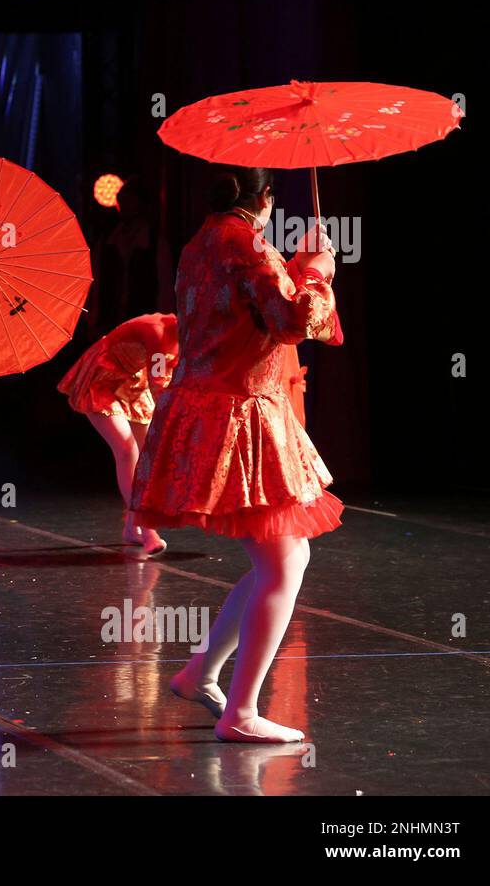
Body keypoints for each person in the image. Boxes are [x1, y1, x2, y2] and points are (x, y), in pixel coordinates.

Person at [130, 166, 341, 743]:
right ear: (266, 197)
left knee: (281, 558)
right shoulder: (248, 244)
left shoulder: (204, 241)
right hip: (239, 412)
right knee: (284, 563)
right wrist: (319, 275)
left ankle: (202, 673)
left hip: (209, 405)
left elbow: (247, 307)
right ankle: (241, 711)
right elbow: (291, 321)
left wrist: (294, 268)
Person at [57, 313, 179, 554]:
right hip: (104, 379)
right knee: (126, 449)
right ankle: (147, 529)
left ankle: (131, 526)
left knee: (148, 454)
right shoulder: (159, 332)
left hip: (134, 383)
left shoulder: (191, 339)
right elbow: (159, 384)